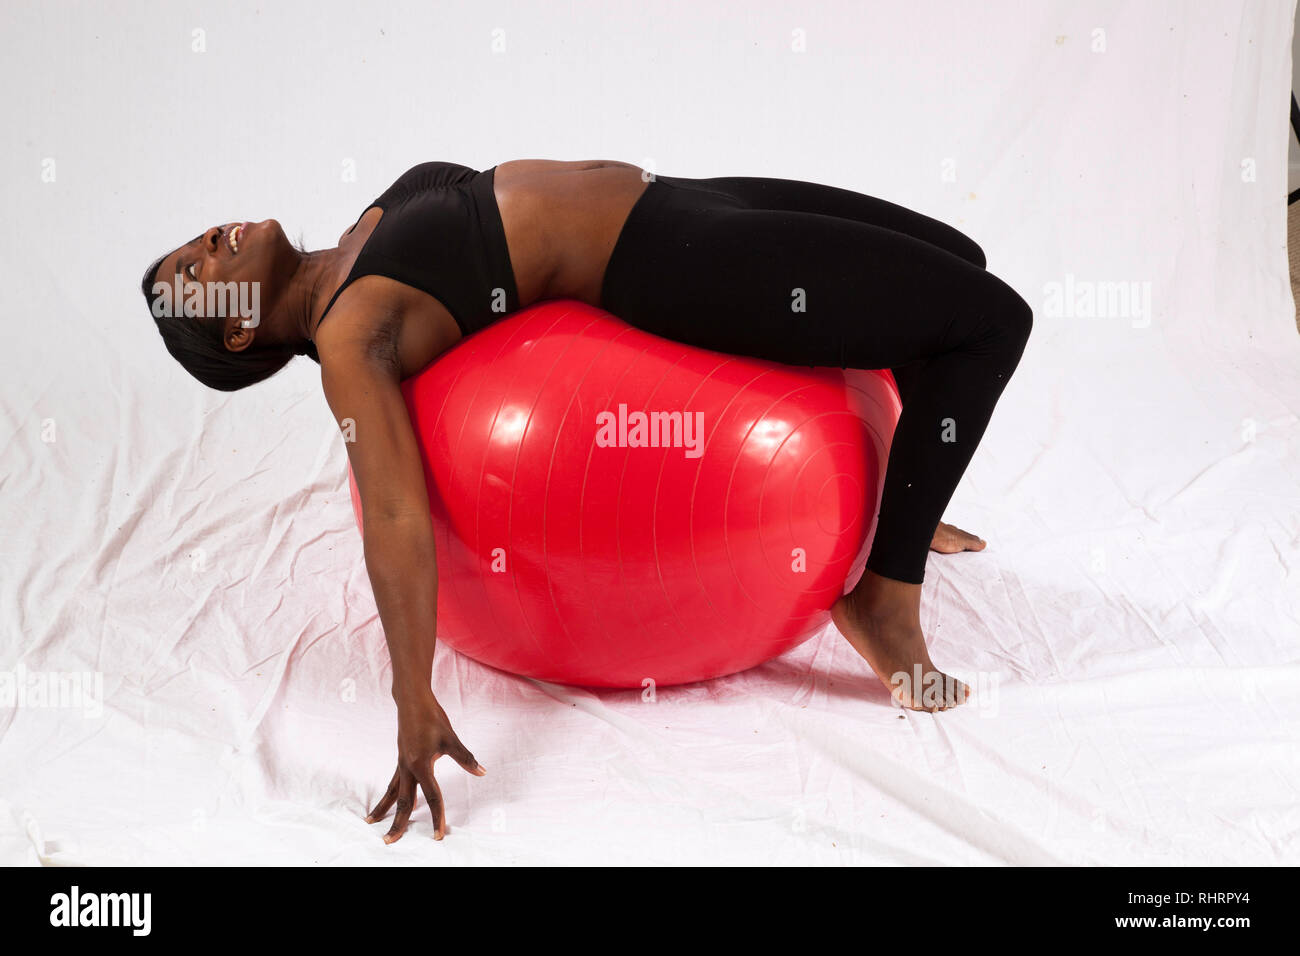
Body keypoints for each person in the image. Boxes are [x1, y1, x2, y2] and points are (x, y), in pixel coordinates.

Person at [140, 159, 1031, 842]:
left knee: (961, 260)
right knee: (991, 320)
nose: (207, 241)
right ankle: (885, 595)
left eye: (191, 242)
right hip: (671, 264)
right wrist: (414, 703)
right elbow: (398, 517)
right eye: (195, 267)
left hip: (677, 197)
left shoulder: (362, 228)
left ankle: (908, 498)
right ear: (238, 328)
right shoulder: (350, 339)